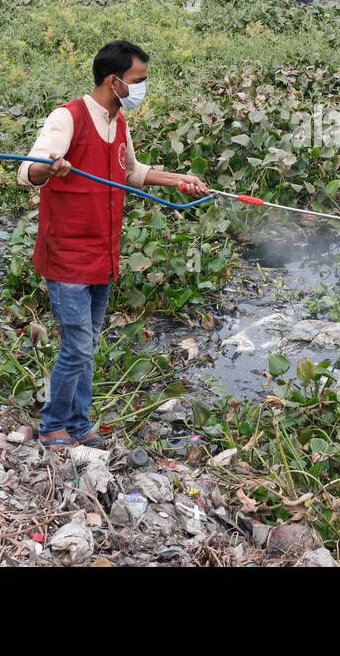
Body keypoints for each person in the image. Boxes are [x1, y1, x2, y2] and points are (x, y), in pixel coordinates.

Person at [18, 40, 209, 450]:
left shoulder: (118, 121)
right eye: (137, 81)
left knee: (88, 344)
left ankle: (80, 423)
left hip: (103, 254)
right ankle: (53, 425)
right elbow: (27, 170)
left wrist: (181, 181)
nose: (141, 89)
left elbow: (131, 171)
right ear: (114, 80)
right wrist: (49, 168)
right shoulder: (67, 117)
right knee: (77, 346)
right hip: (67, 254)